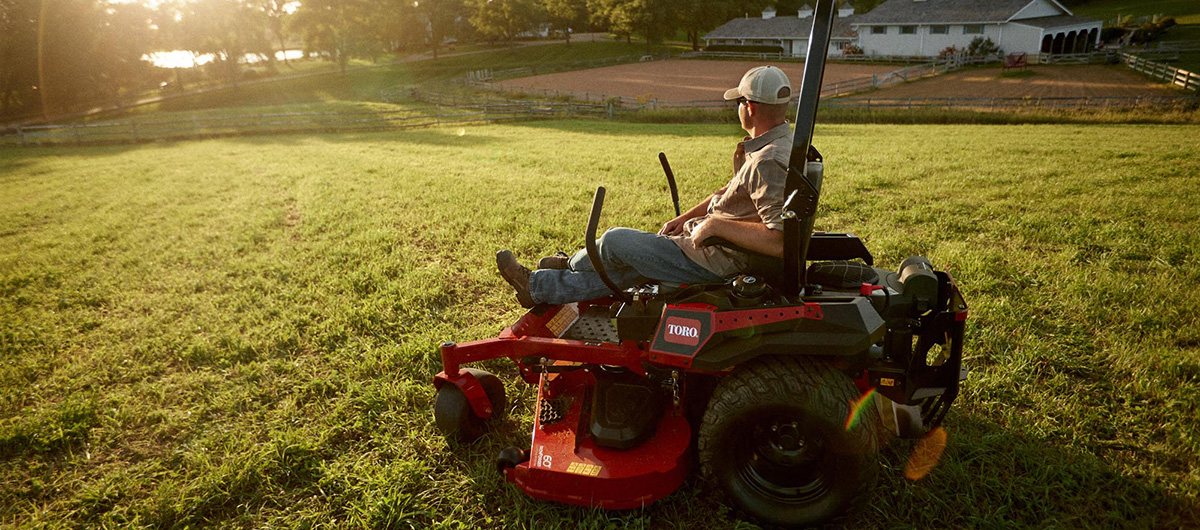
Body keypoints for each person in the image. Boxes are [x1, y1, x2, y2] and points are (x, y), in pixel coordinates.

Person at [497, 65, 795, 308]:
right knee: (631, 268)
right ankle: (538, 286)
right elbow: (729, 195)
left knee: (616, 241)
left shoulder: (767, 161)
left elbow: (779, 240)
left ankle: (570, 264)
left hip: (719, 260)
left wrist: (716, 225)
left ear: (750, 107)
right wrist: (683, 219)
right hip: (714, 248)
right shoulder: (779, 145)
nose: (737, 109)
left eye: (739, 102)